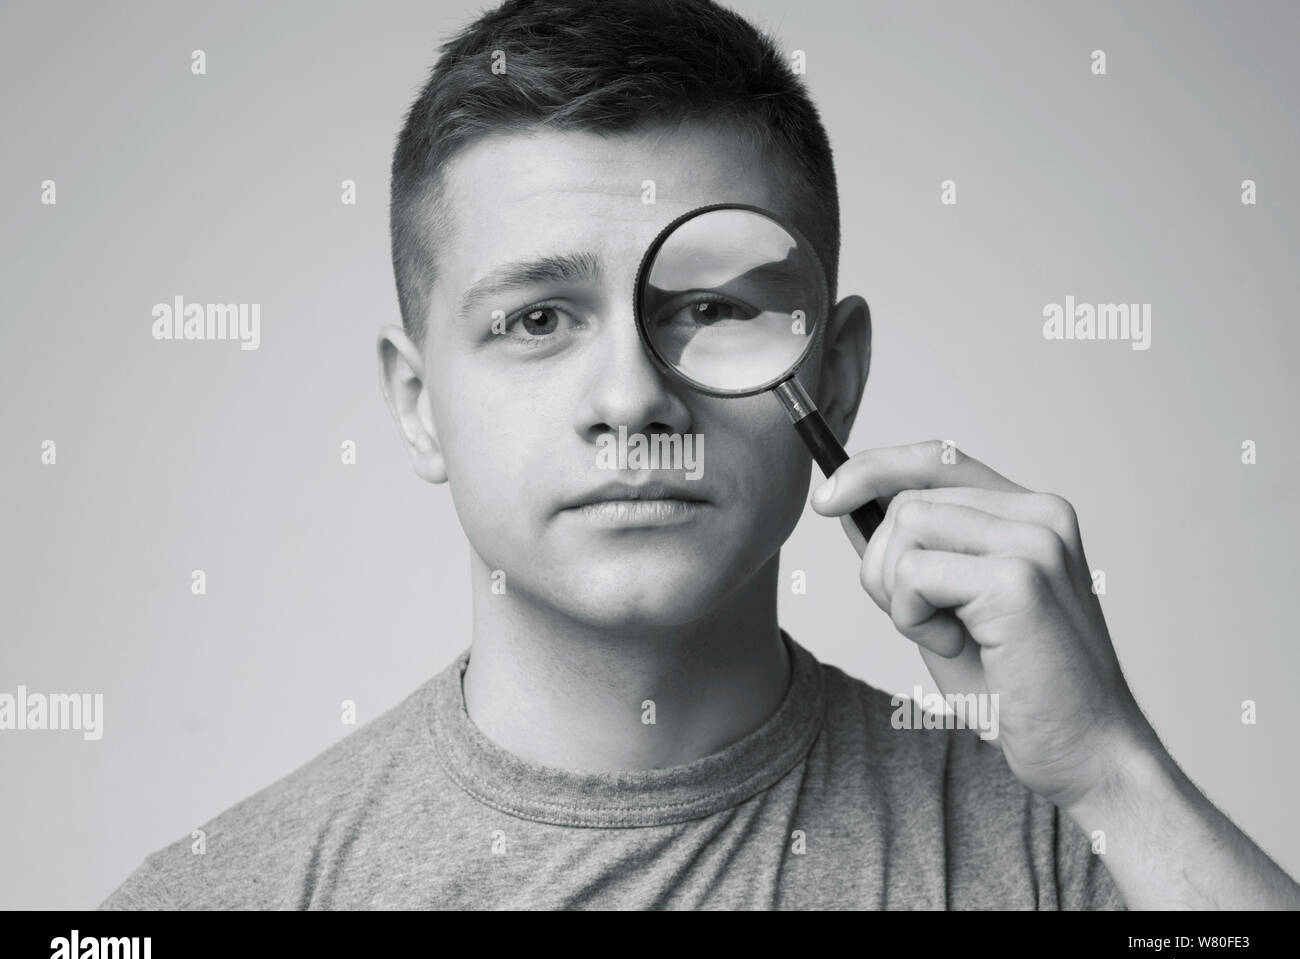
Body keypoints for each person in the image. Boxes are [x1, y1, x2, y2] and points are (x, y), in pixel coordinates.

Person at [100, 0, 1299, 910]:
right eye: (536, 319)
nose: (631, 394)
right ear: (419, 405)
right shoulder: (216, 898)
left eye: (716, 308)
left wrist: (1111, 774)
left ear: (829, 377)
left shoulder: (1074, 852)